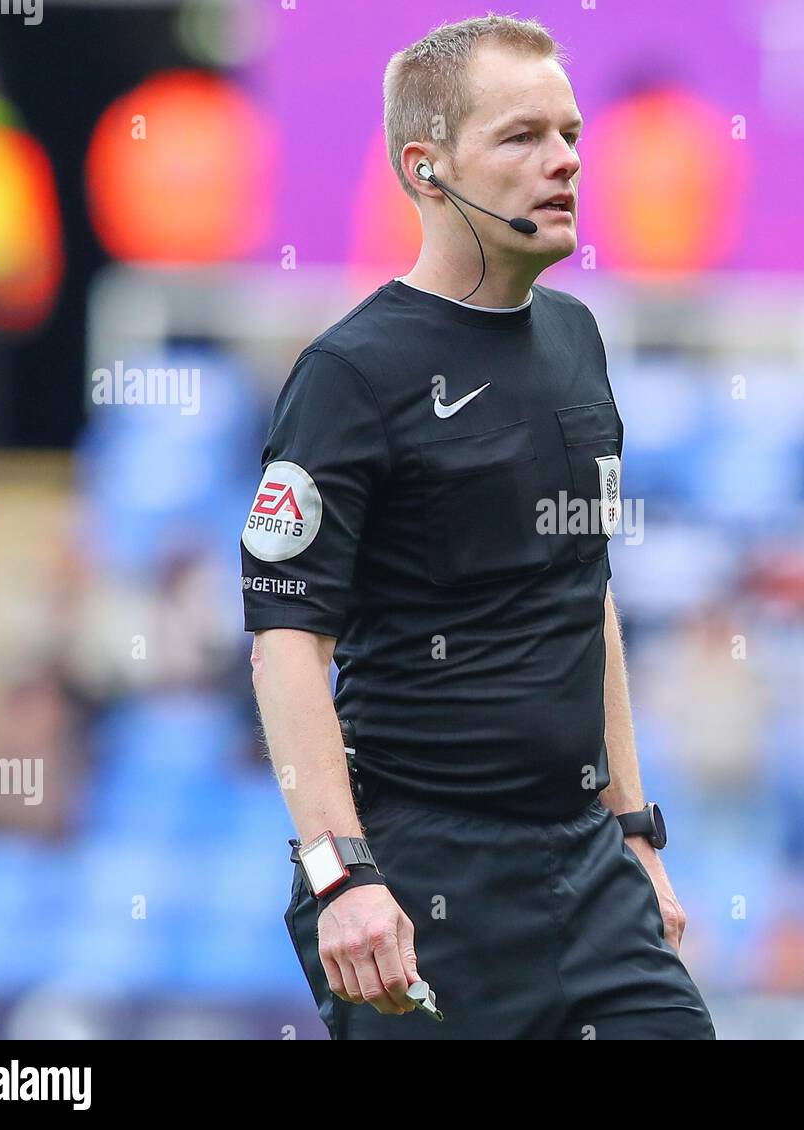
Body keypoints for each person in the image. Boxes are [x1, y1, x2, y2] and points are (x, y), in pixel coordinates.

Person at [242, 14, 715, 1040]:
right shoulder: (350, 374)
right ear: (427, 167)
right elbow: (286, 647)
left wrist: (634, 832)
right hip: (422, 875)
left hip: (587, 868)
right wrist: (341, 876)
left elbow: (587, 600)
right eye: (521, 137)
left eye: (572, 135)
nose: (565, 163)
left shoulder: (579, 340)